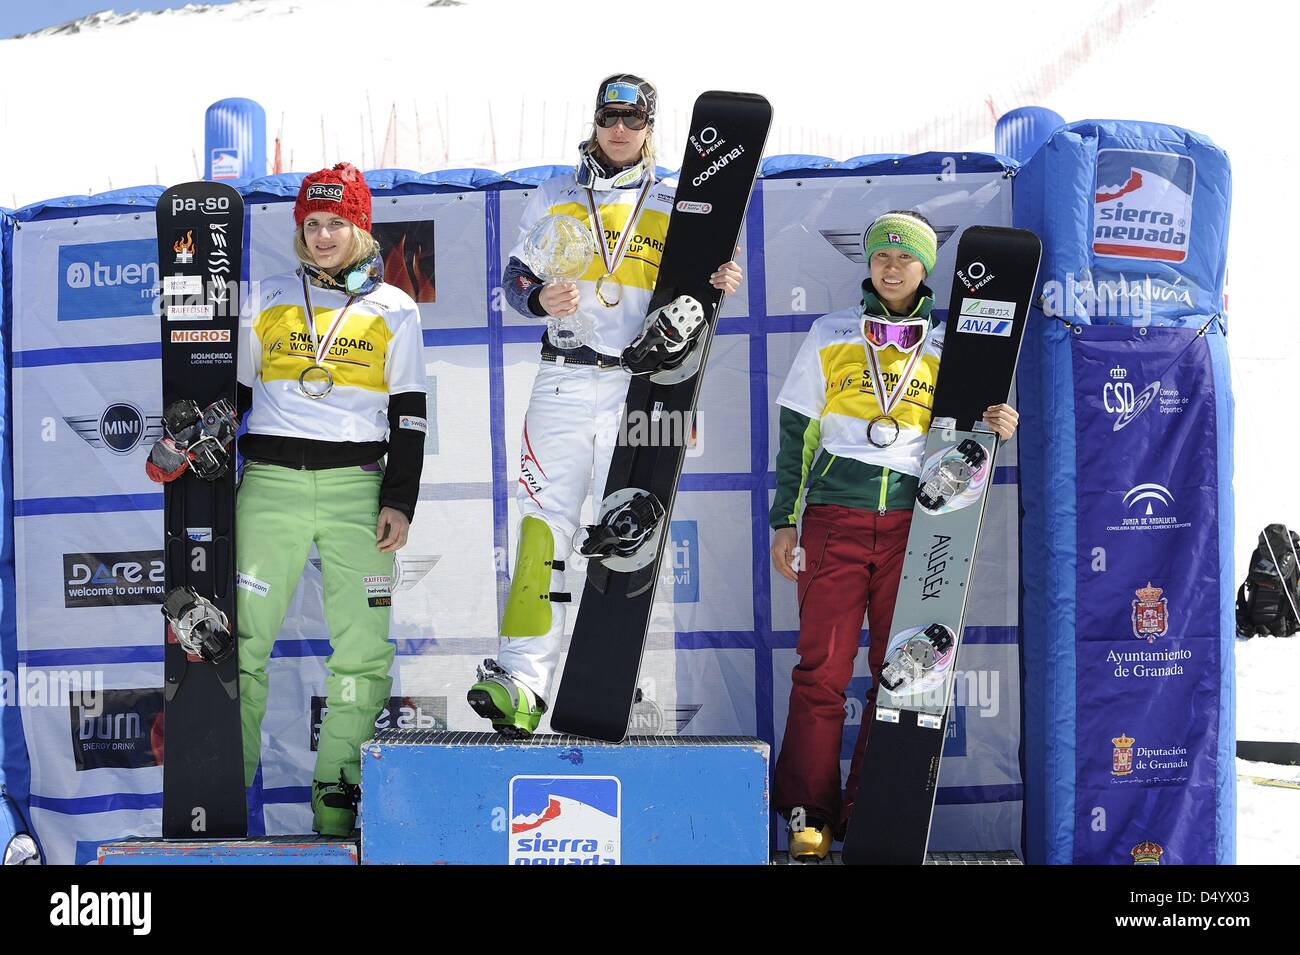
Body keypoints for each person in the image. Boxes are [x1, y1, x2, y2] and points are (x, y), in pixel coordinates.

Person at [467, 74, 742, 737]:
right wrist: (537, 299)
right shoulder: (557, 195)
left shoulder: (678, 198)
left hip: (640, 385)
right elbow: (513, 278)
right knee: (544, 528)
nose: (619, 129)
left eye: (633, 118)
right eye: (609, 116)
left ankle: (620, 681)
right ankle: (522, 683)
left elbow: (702, 287)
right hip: (562, 378)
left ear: (651, 125)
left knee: (630, 531)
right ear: (594, 121)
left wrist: (722, 281)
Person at [768, 211, 1019, 862]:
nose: (892, 266)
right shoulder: (830, 333)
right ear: (870, 264)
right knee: (821, 671)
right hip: (835, 515)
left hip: (919, 523)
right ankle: (810, 818)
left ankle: (871, 812)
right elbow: (797, 434)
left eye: (906, 258)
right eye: (882, 255)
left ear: (925, 268)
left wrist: (998, 422)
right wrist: (783, 520)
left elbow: (971, 428)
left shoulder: (951, 344)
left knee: (901, 676)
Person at [236, 162, 427, 835]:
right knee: (241, 643)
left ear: (360, 227)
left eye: (334, 223)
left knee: (364, 652)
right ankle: (222, 786)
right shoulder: (264, 299)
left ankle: (337, 800)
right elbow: (232, 398)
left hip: (356, 491)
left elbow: (408, 414)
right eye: (311, 224)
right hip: (269, 486)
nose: (321, 236)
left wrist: (398, 499)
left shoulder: (395, 308)